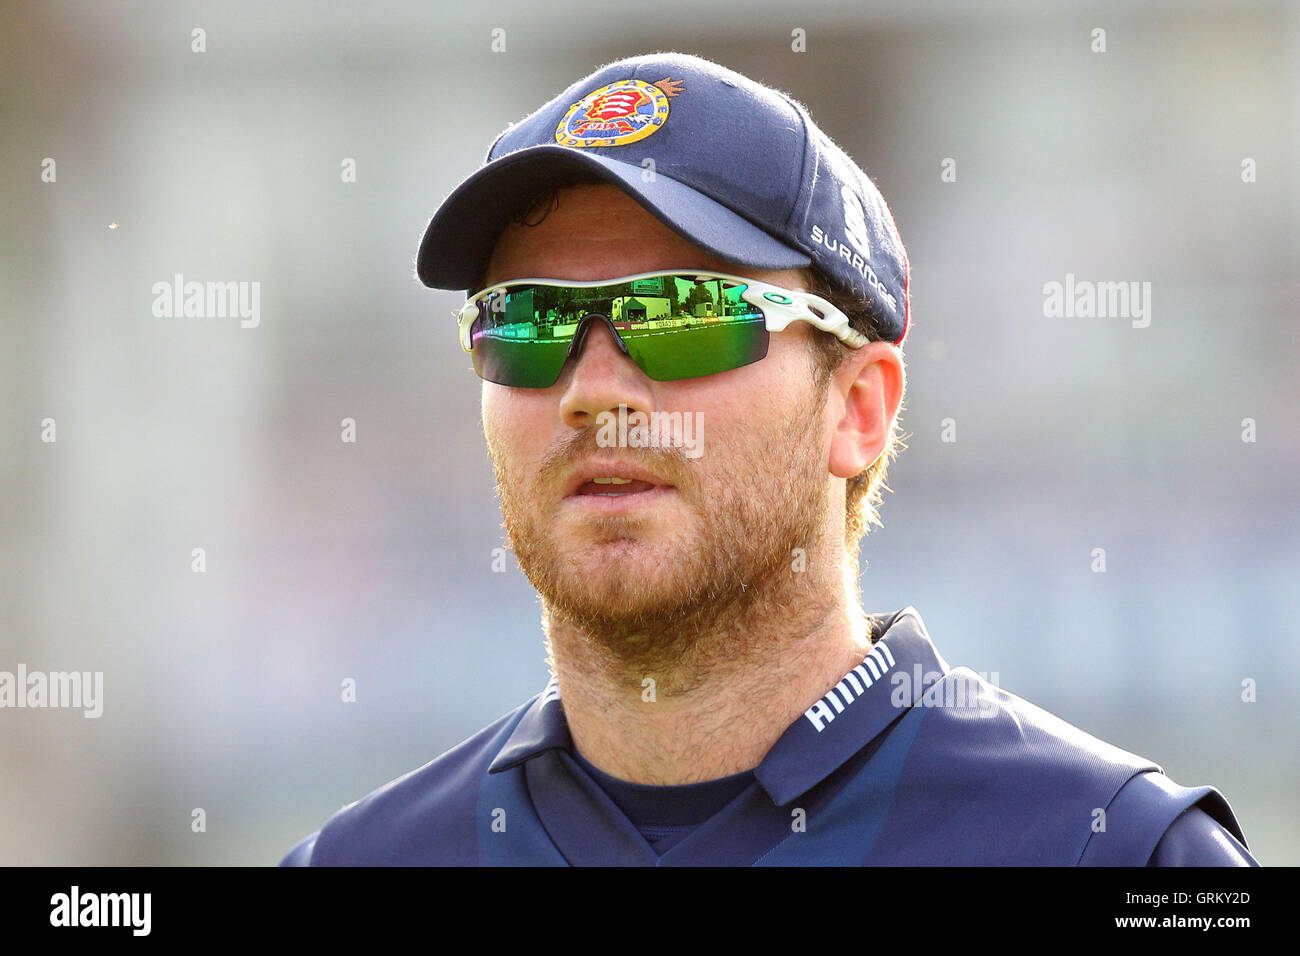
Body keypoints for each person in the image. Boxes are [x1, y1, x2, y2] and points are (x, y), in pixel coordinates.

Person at [280, 52, 1257, 866]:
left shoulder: (1114, 852)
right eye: (527, 323)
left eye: (684, 314)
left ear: (859, 409)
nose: (593, 389)